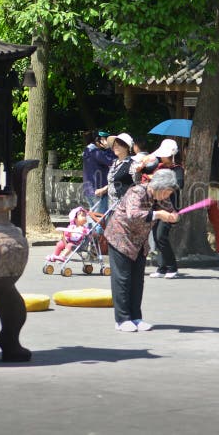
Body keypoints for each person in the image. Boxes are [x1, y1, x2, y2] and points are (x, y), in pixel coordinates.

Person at [104, 169, 179, 332]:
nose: (168, 196)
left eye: (170, 193)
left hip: (139, 242)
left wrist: (173, 216)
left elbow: (170, 210)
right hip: (120, 238)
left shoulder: (161, 197)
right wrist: (159, 214)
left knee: (137, 280)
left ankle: (136, 317)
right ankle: (122, 319)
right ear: (158, 186)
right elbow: (133, 215)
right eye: (167, 191)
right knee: (122, 279)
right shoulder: (137, 191)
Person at [141, 139, 184, 279]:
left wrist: (161, 183)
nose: (162, 157)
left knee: (161, 236)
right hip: (155, 208)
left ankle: (172, 267)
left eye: (164, 155)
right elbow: (143, 169)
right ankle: (162, 268)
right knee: (156, 236)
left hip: (170, 209)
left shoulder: (177, 169)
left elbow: (179, 184)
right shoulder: (157, 167)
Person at [95, 133, 140, 210]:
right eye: (114, 144)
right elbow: (113, 182)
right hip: (112, 207)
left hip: (126, 208)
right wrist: (104, 189)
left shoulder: (133, 164)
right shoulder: (114, 162)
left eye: (119, 144)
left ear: (126, 147)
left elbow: (138, 185)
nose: (115, 147)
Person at [82, 130, 116, 213]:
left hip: (89, 190)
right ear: (98, 140)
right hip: (99, 190)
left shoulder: (87, 150)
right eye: (105, 139)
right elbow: (111, 161)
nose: (107, 142)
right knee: (100, 220)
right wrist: (108, 148)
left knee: (93, 218)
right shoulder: (95, 151)